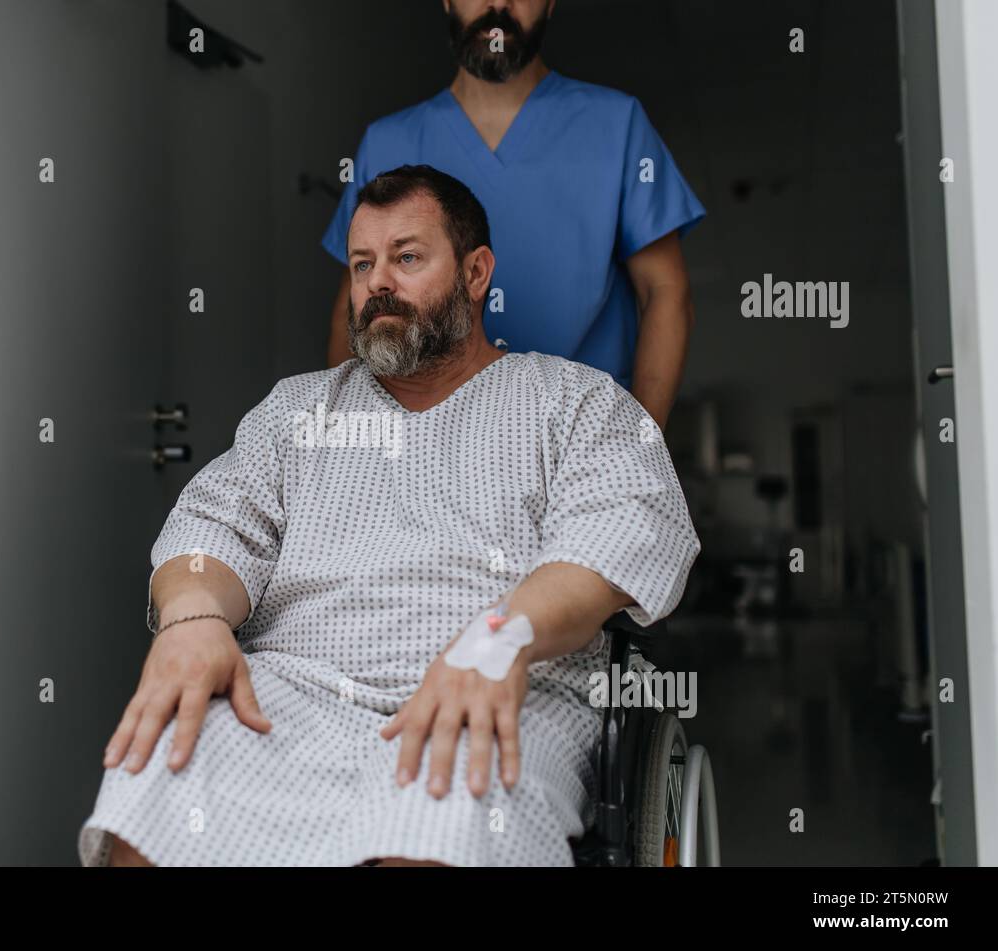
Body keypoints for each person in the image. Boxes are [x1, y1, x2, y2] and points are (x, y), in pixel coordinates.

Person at [78, 165, 700, 867]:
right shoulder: (296, 412)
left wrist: (496, 641)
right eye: (362, 263)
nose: (378, 283)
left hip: (495, 697)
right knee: (157, 785)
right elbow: (214, 529)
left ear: (475, 272)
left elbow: (615, 537)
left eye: (406, 258)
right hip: (290, 697)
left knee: (435, 825)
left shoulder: (575, 403)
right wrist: (192, 620)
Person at [321, 0, 705, 428]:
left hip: (579, 435)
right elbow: (353, 309)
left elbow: (665, 292)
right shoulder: (387, 142)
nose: (498, 4)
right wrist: (353, 443)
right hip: (421, 439)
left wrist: (635, 445)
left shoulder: (617, 124)